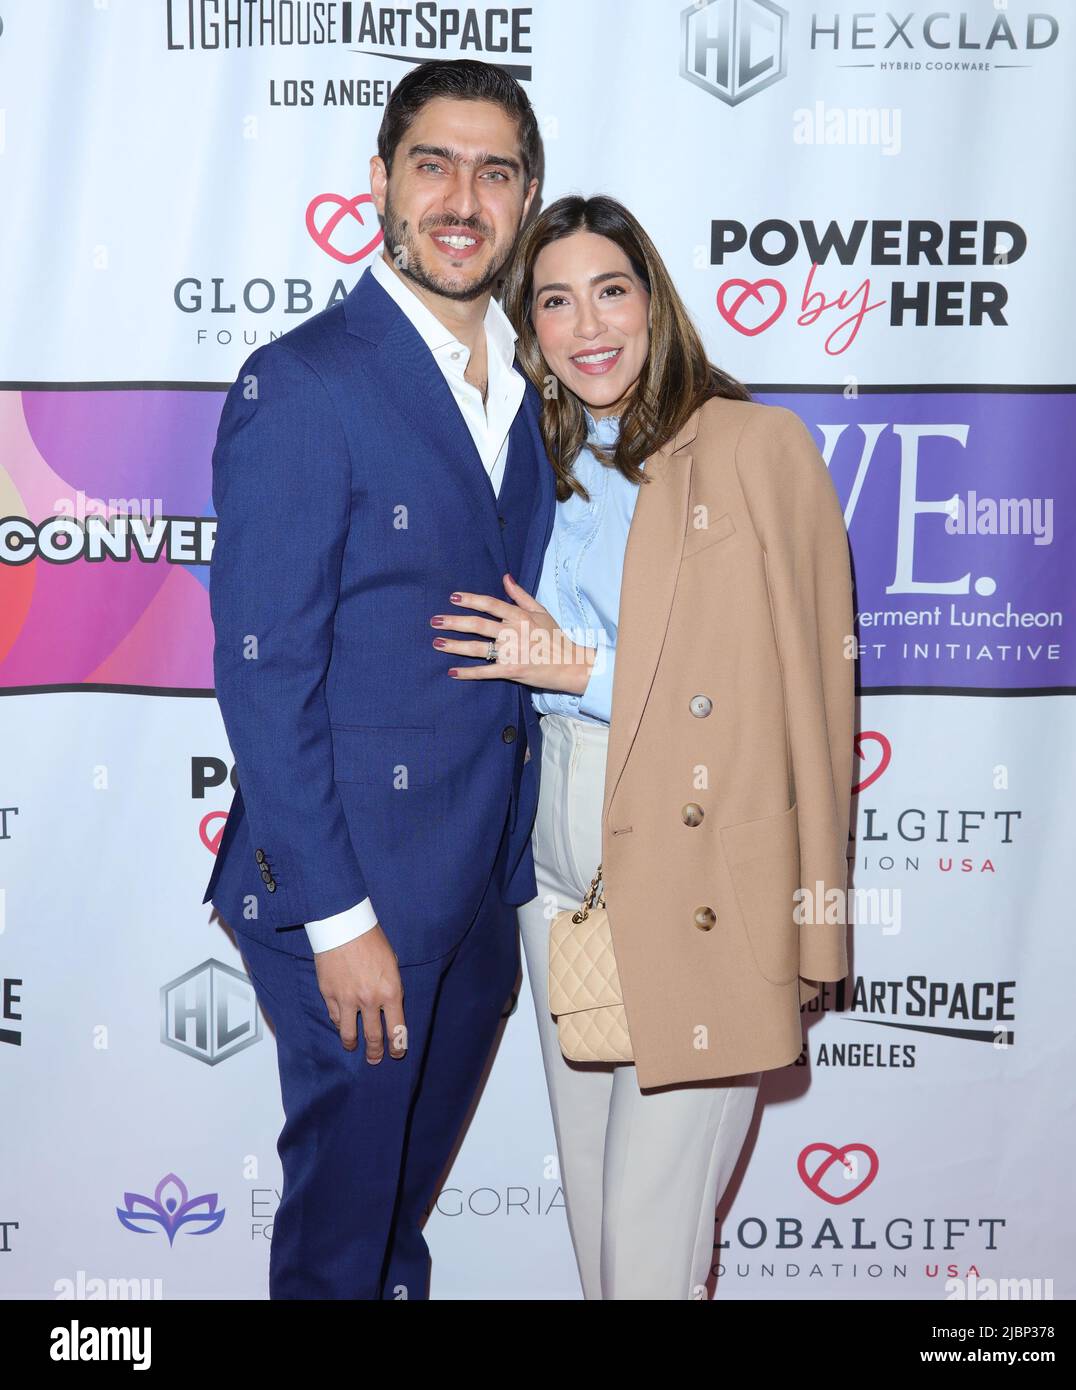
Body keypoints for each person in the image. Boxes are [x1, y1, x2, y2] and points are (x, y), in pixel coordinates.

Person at [430, 195, 856, 1299]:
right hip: (553, 878)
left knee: (649, 1254)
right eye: (555, 301)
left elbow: (793, 695)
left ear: (654, 300)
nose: (587, 326)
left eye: (610, 290)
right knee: (599, 1235)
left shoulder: (760, 448)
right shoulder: (536, 459)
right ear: (530, 330)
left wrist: (576, 668)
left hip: (699, 867)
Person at [201, 59, 555, 1300]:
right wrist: (339, 918)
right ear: (380, 186)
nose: (463, 197)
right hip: (350, 907)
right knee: (342, 1249)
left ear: (525, 200)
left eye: (495, 171)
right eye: (433, 164)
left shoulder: (527, 389)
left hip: (475, 905)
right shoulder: (306, 381)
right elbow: (262, 668)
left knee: (393, 1234)